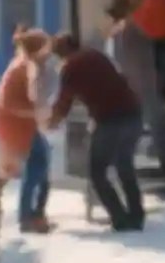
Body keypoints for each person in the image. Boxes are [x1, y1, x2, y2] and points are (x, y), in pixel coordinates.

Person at [46, 31, 147, 232]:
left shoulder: (70, 68)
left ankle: (120, 218)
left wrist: (51, 121)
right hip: (133, 114)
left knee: (97, 172)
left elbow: (64, 102)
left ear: (63, 51)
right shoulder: (96, 55)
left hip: (110, 121)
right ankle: (136, 215)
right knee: (124, 166)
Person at [104, 0, 165, 179]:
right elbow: (144, 59)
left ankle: (120, 166)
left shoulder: (113, 35)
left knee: (129, 129)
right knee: (159, 125)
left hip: (126, 86)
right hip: (143, 86)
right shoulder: (133, 30)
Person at [0, 27, 52, 191]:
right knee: (36, 164)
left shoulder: (22, 64)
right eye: (46, 48)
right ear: (38, 49)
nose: (48, 53)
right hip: (13, 121)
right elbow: (10, 103)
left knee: (36, 163)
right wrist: (36, 113)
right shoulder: (24, 67)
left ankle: (32, 210)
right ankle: (29, 212)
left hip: (15, 121)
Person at [19, 23, 60, 234]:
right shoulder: (30, 69)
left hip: (33, 125)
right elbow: (36, 98)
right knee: (37, 172)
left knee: (40, 173)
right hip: (29, 125)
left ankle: (35, 215)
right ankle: (29, 217)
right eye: (45, 45)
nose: (49, 50)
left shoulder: (38, 67)